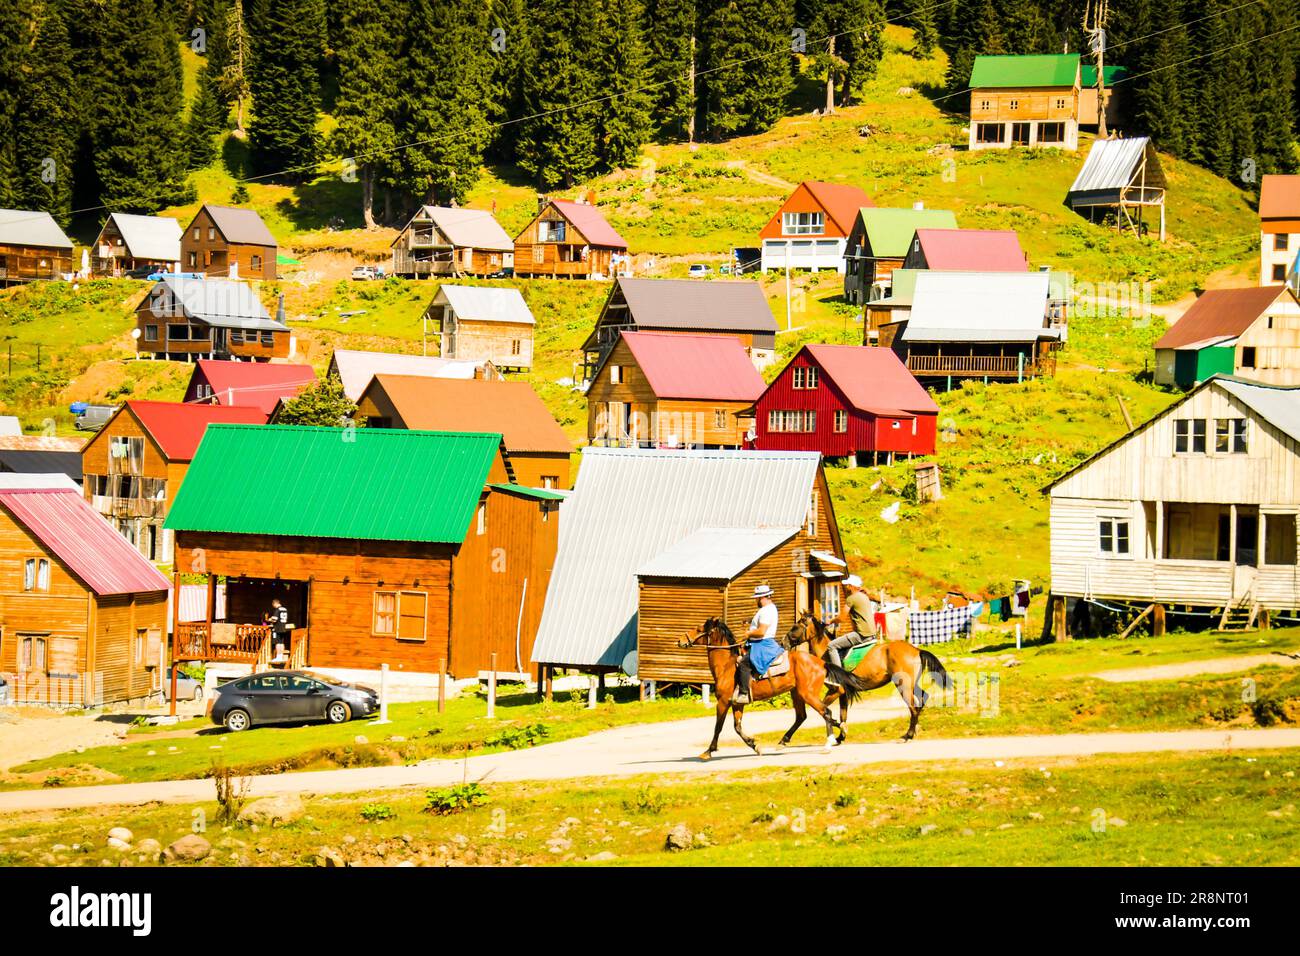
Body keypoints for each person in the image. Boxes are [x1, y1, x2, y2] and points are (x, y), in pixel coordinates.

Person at [732, 584, 781, 705]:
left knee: (744, 663)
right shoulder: (769, 608)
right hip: (761, 642)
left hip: (762, 644)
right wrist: (750, 620)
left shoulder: (766, 611)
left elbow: (761, 632)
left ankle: (743, 694)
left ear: (762, 598)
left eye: (756, 598)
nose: (755, 600)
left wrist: (748, 634)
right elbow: (761, 622)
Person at [824, 575, 877, 685]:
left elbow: (842, 618)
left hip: (862, 635)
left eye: (847, 585)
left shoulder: (851, 598)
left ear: (852, 586)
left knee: (831, 646)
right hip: (871, 633)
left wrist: (830, 621)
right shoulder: (864, 596)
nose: (846, 587)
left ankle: (838, 677)